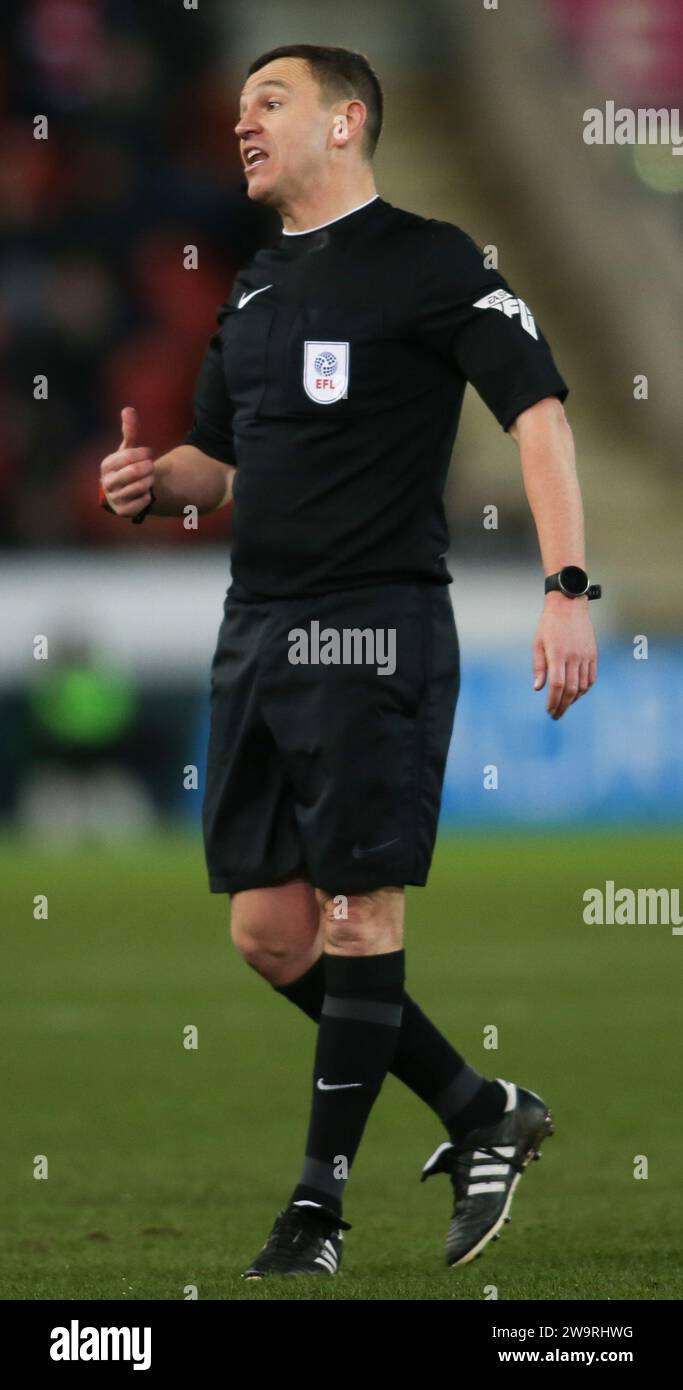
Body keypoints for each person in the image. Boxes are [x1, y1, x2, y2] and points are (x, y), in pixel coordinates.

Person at [99, 44, 599, 1278]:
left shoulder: (429, 260)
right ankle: (481, 1109)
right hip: (256, 631)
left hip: (373, 627)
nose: (243, 125)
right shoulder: (258, 284)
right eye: (235, 109)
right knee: (270, 932)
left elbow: (535, 409)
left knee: (358, 909)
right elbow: (221, 466)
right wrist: (154, 484)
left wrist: (566, 588)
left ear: (347, 121)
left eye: (270, 101)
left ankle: (314, 1211)